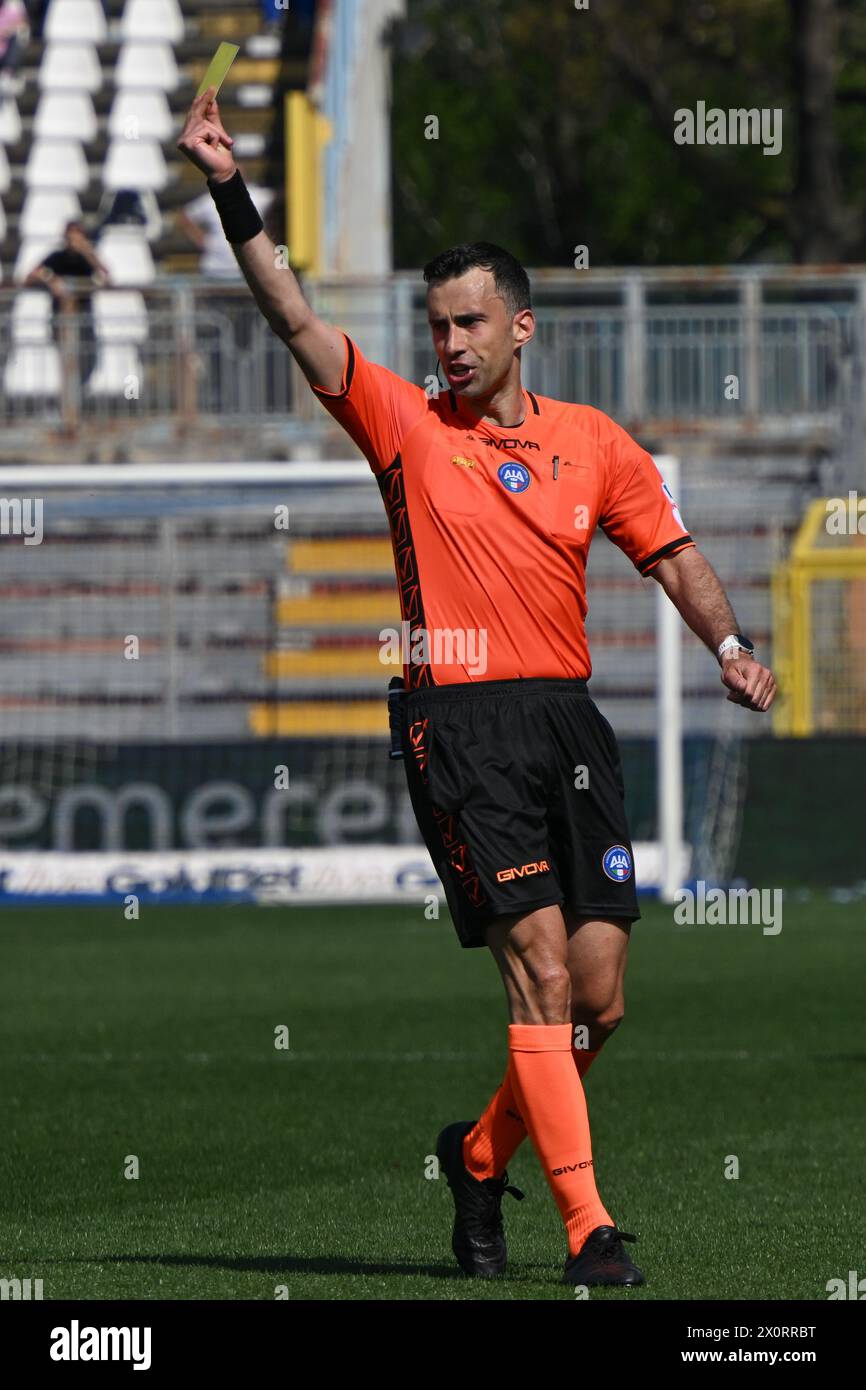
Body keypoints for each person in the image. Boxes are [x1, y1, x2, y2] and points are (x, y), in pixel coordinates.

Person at [177, 87, 777, 1289]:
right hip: (453, 718)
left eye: (465, 321)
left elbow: (670, 553)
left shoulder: (594, 444)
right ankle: (585, 1227)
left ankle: (476, 1151)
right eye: (433, 322)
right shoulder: (403, 424)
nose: (444, 343)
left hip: (566, 718)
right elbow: (290, 313)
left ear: (521, 329)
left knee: (598, 1003)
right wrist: (227, 186)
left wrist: (726, 646)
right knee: (539, 968)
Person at [22, 221, 111, 372]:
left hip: (84, 319)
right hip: (62, 318)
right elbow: (31, 276)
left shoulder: (88, 260)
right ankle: (69, 393)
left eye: (78, 237)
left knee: (82, 365)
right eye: (71, 236)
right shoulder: (57, 257)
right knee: (67, 364)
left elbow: (106, 279)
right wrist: (50, 279)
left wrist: (89, 253)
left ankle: (76, 393)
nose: (73, 241)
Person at [178, 163, 274, 280]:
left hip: (251, 269)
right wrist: (203, 241)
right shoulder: (210, 200)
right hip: (215, 268)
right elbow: (185, 217)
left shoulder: (260, 196)